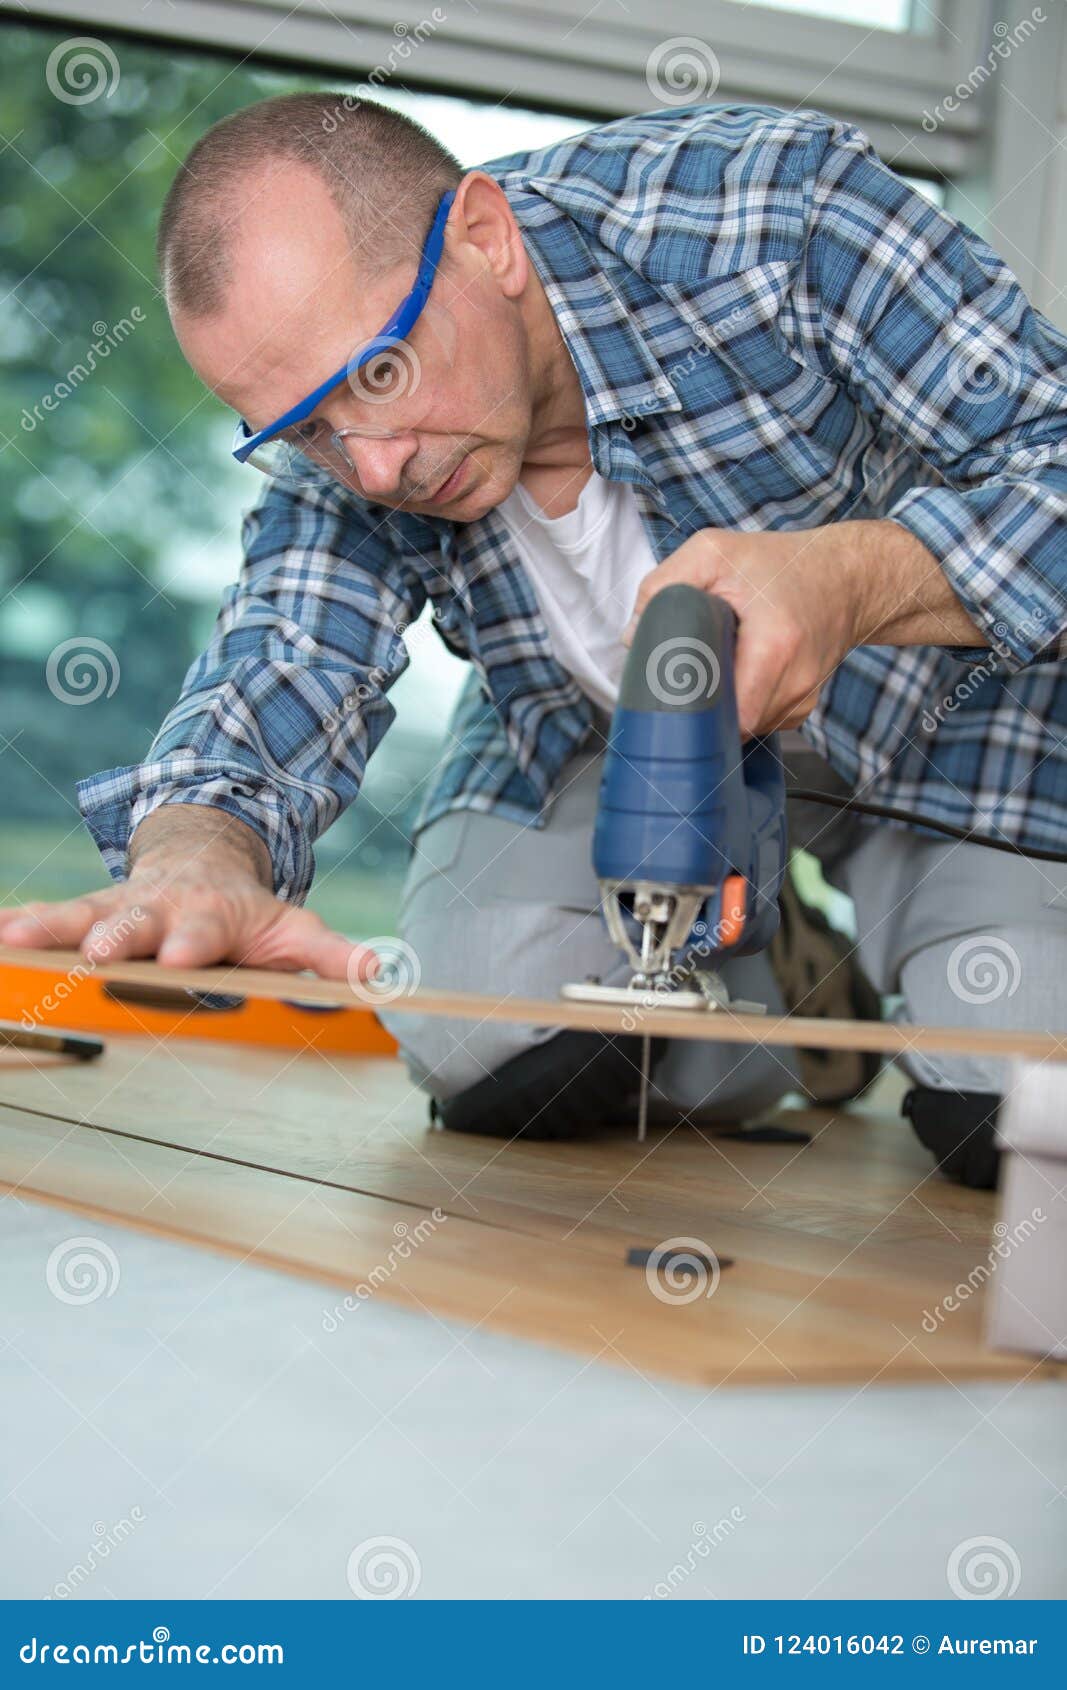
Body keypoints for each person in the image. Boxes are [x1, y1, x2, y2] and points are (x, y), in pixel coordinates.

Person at [3, 95, 1065, 1182]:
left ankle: (889, 953)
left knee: (1012, 1097)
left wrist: (858, 578)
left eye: (381, 372)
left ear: (485, 236)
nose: (374, 468)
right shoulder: (359, 439)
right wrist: (196, 856)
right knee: (493, 1049)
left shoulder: (778, 213)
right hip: (596, 736)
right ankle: (784, 979)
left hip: (946, 722)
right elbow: (285, 650)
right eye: (308, 429)